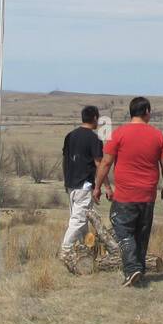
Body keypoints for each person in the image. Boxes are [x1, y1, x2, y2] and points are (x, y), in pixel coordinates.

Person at [94, 96, 163, 287]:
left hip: (125, 194)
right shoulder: (157, 135)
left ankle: (132, 269)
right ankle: (139, 271)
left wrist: (98, 186)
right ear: (146, 111)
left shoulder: (119, 134)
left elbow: (105, 162)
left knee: (123, 229)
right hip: (147, 194)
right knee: (141, 233)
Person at [59, 105, 104, 273]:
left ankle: (86, 252)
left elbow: (65, 160)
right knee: (78, 220)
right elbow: (99, 164)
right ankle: (65, 251)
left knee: (82, 222)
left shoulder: (70, 136)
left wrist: (66, 181)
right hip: (84, 185)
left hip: (71, 185)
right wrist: (104, 186)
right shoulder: (94, 139)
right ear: (94, 118)